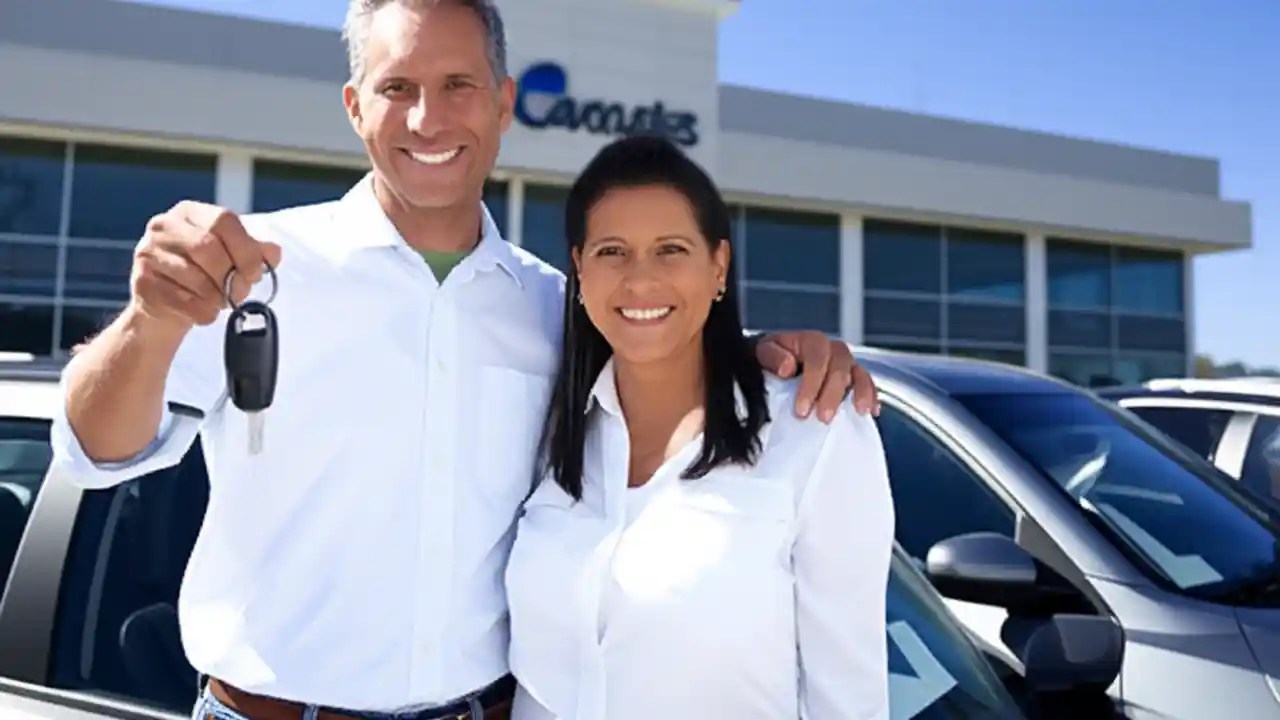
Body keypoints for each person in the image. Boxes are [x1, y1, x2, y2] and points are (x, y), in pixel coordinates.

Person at [49, 2, 881, 720]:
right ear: (353, 105)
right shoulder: (254, 272)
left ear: (504, 103)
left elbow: (660, 350)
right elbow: (91, 452)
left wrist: (773, 352)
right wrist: (148, 323)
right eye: (397, 88)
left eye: (458, 87)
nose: (427, 121)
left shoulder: (552, 307)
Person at [503, 134, 894, 720]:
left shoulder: (815, 432)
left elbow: (850, 698)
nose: (640, 280)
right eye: (612, 251)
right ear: (579, 270)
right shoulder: (550, 431)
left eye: (670, 249)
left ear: (718, 267)